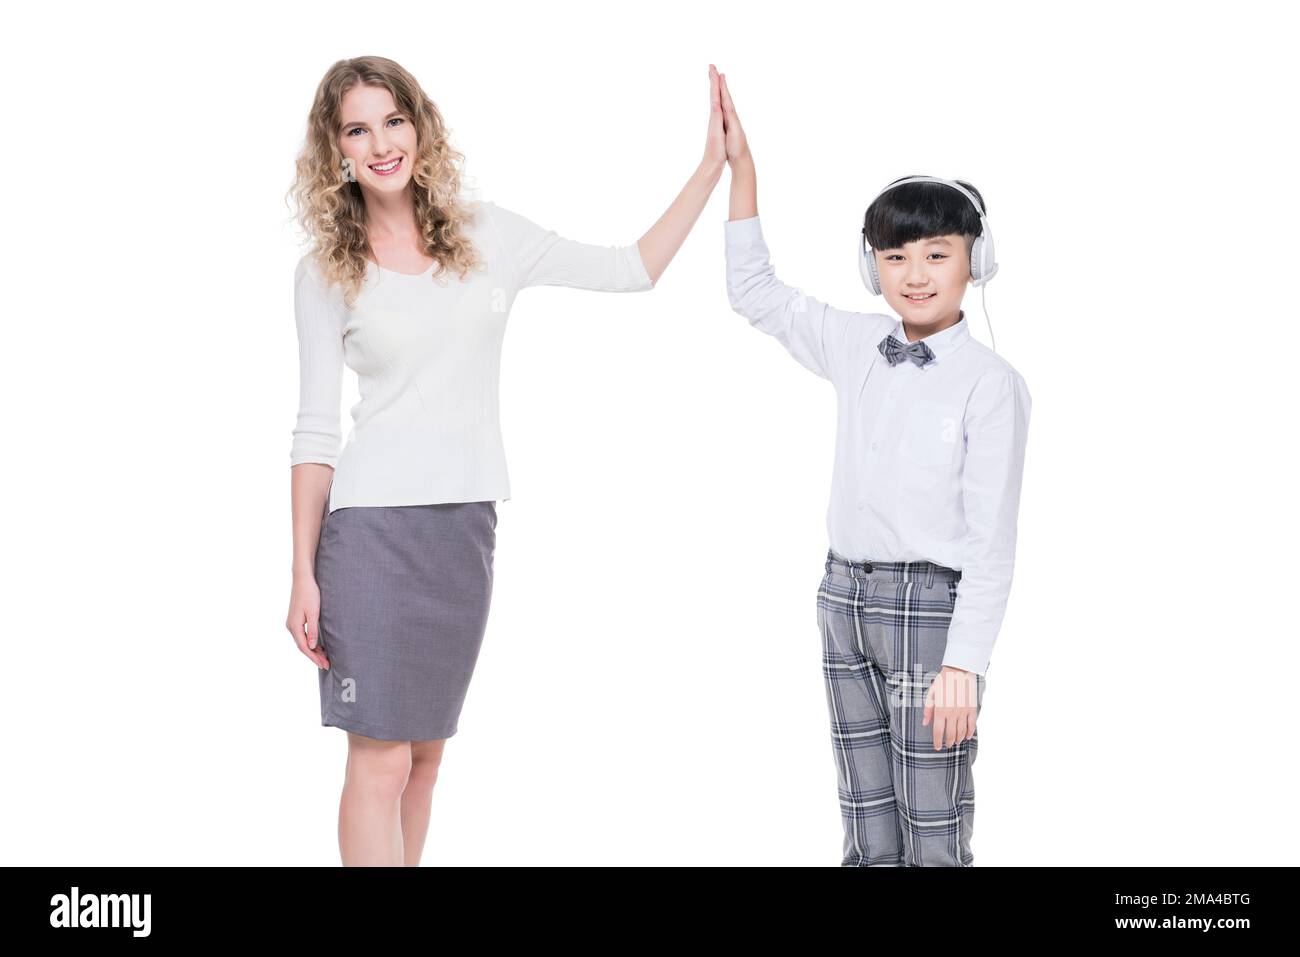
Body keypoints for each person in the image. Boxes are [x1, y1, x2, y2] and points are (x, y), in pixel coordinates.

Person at [285, 56, 727, 866]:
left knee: (425, 759)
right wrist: (302, 573)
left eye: (393, 120)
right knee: (379, 759)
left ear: (419, 125)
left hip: (463, 532)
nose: (382, 143)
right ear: (337, 149)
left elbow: (632, 269)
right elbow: (315, 434)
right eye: (358, 128)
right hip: (370, 536)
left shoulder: (487, 235)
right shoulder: (324, 272)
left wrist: (710, 168)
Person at [715, 73, 1031, 866]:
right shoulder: (855, 341)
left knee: (931, 822)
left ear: (974, 259)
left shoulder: (992, 385)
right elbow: (754, 291)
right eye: (895, 255)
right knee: (866, 824)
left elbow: (991, 539)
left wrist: (966, 660)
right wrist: (744, 172)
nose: (915, 272)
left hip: (931, 612)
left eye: (937, 252)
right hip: (842, 597)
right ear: (872, 266)